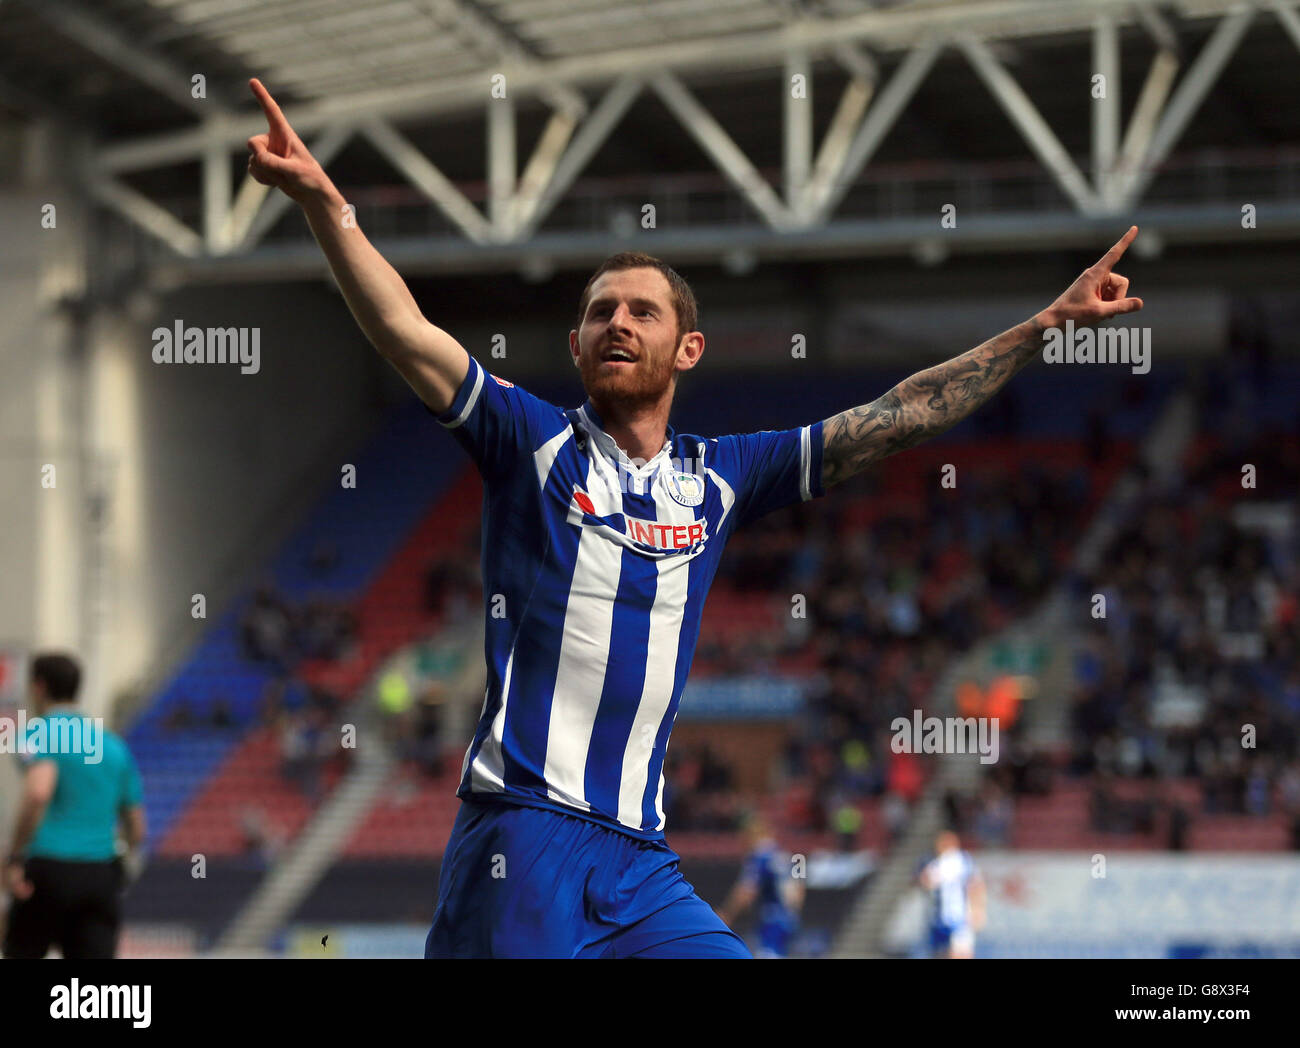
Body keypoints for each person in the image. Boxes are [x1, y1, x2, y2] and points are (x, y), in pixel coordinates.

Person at [245, 77, 1143, 958]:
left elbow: (898, 415)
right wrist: (329, 204)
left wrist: (1043, 327)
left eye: (642, 310)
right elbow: (407, 331)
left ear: (688, 347)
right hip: (524, 835)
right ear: (577, 344)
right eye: (599, 313)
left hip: (642, 864)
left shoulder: (721, 477)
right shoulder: (532, 443)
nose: (617, 323)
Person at [2, 653, 146, 959]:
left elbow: (39, 792)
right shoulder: (113, 745)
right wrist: (118, 855)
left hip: (46, 869)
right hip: (99, 874)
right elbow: (136, 826)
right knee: (92, 997)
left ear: (38, 687)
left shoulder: (37, 734)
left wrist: (14, 857)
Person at [717, 812, 805, 958]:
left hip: (772, 920)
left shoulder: (760, 856)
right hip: (788, 920)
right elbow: (799, 889)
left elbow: (746, 891)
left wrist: (727, 914)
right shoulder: (784, 855)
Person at [917, 830, 985, 959]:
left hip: (959, 917)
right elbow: (923, 882)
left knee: (960, 953)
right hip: (936, 918)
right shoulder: (931, 862)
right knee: (938, 953)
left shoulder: (963, 861)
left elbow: (976, 885)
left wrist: (978, 910)